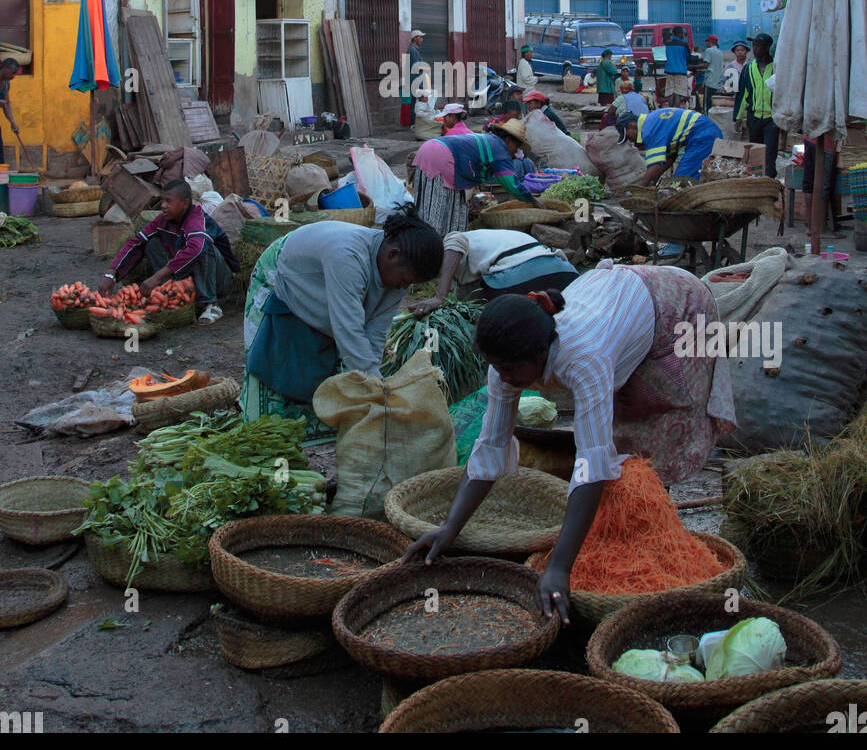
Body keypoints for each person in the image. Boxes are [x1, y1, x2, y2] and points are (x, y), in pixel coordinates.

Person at [403, 265, 736, 621]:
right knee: (616, 429)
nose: (502, 377)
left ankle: (655, 529)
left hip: (676, 305)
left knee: (653, 414)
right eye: (495, 366)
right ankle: (616, 531)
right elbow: (490, 447)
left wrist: (560, 566)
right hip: (614, 299)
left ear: (541, 355)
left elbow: (591, 463)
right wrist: (450, 529)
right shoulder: (506, 364)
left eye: (510, 369)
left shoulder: (584, 358)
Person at [241, 205, 443, 426]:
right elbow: (349, 329)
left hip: (329, 282)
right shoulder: (347, 256)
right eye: (405, 279)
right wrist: (378, 386)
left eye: (411, 283)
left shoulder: (399, 273)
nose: (405, 286)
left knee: (328, 362)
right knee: (278, 356)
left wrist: (374, 379)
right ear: (392, 255)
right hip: (288, 271)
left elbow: (376, 329)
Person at [102, 179, 239, 325]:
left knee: (201, 247)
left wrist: (157, 276)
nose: (163, 206)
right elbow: (136, 242)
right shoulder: (162, 221)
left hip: (220, 280)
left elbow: (196, 249)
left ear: (185, 203)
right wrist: (112, 273)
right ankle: (170, 292)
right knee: (150, 243)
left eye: (168, 202)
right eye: (162, 201)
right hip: (189, 276)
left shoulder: (197, 220)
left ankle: (210, 304)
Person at [407, 227, 580, 315]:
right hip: (564, 270)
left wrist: (439, 296)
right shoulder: (493, 237)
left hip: (519, 272)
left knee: (465, 299)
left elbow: (454, 245)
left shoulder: (451, 239)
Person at [412, 119, 536, 234]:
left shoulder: (489, 139)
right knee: (438, 214)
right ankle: (434, 248)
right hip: (441, 159)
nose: (516, 151)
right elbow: (511, 184)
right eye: (517, 146)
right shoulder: (500, 148)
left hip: (429, 149)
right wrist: (533, 201)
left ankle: (438, 242)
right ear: (509, 140)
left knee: (433, 209)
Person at [616, 107, 723, 186]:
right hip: (707, 131)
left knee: (681, 183)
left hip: (703, 136)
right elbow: (669, 158)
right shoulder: (651, 121)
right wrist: (654, 183)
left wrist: (641, 190)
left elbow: (655, 166)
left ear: (632, 126)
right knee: (683, 179)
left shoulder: (648, 131)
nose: (631, 141)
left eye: (627, 137)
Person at [736, 33, 779, 178]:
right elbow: (742, 94)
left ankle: (769, 181)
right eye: (754, 46)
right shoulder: (748, 68)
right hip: (754, 118)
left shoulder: (776, 67)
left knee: (770, 153)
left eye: (759, 46)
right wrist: (738, 116)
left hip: (771, 119)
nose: (755, 49)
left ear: (767, 47)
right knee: (754, 153)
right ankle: (755, 181)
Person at [0, 58, 22, 163]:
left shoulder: (6, 84)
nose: (13, 76)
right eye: (12, 73)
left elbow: (6, 105)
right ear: (4, 68)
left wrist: (13, 123)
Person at [406, 30, 429, 127]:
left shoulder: (413, 49)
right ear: (415, 38)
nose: (422, 39)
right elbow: (416, 66)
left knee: (414, 102)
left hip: (415, 79)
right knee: (421, 101)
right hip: (416, 80)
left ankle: (414, 123)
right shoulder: (413, 50)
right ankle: (415, 123)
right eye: (420, 37)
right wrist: (427, 68)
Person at [663, 26, 691, 105]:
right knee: (677, 93)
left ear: (673, 34)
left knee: (670, 92)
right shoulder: (684, 44)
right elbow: (688, 57)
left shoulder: (667, 44)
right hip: (680, 71)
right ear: (680, 33)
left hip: (669, 70)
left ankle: (670, 110)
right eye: (682, 33)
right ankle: (676, 111)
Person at [703, 35, 724, 111]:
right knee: (714, 104)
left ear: (711, 42)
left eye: (707, 42)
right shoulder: (720, 52)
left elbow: (706, 65)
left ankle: (707, 120)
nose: (706, 44)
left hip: (710, 81)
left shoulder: (709, 50)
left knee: (707, 105)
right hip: (718, 83)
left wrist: (693, 67)